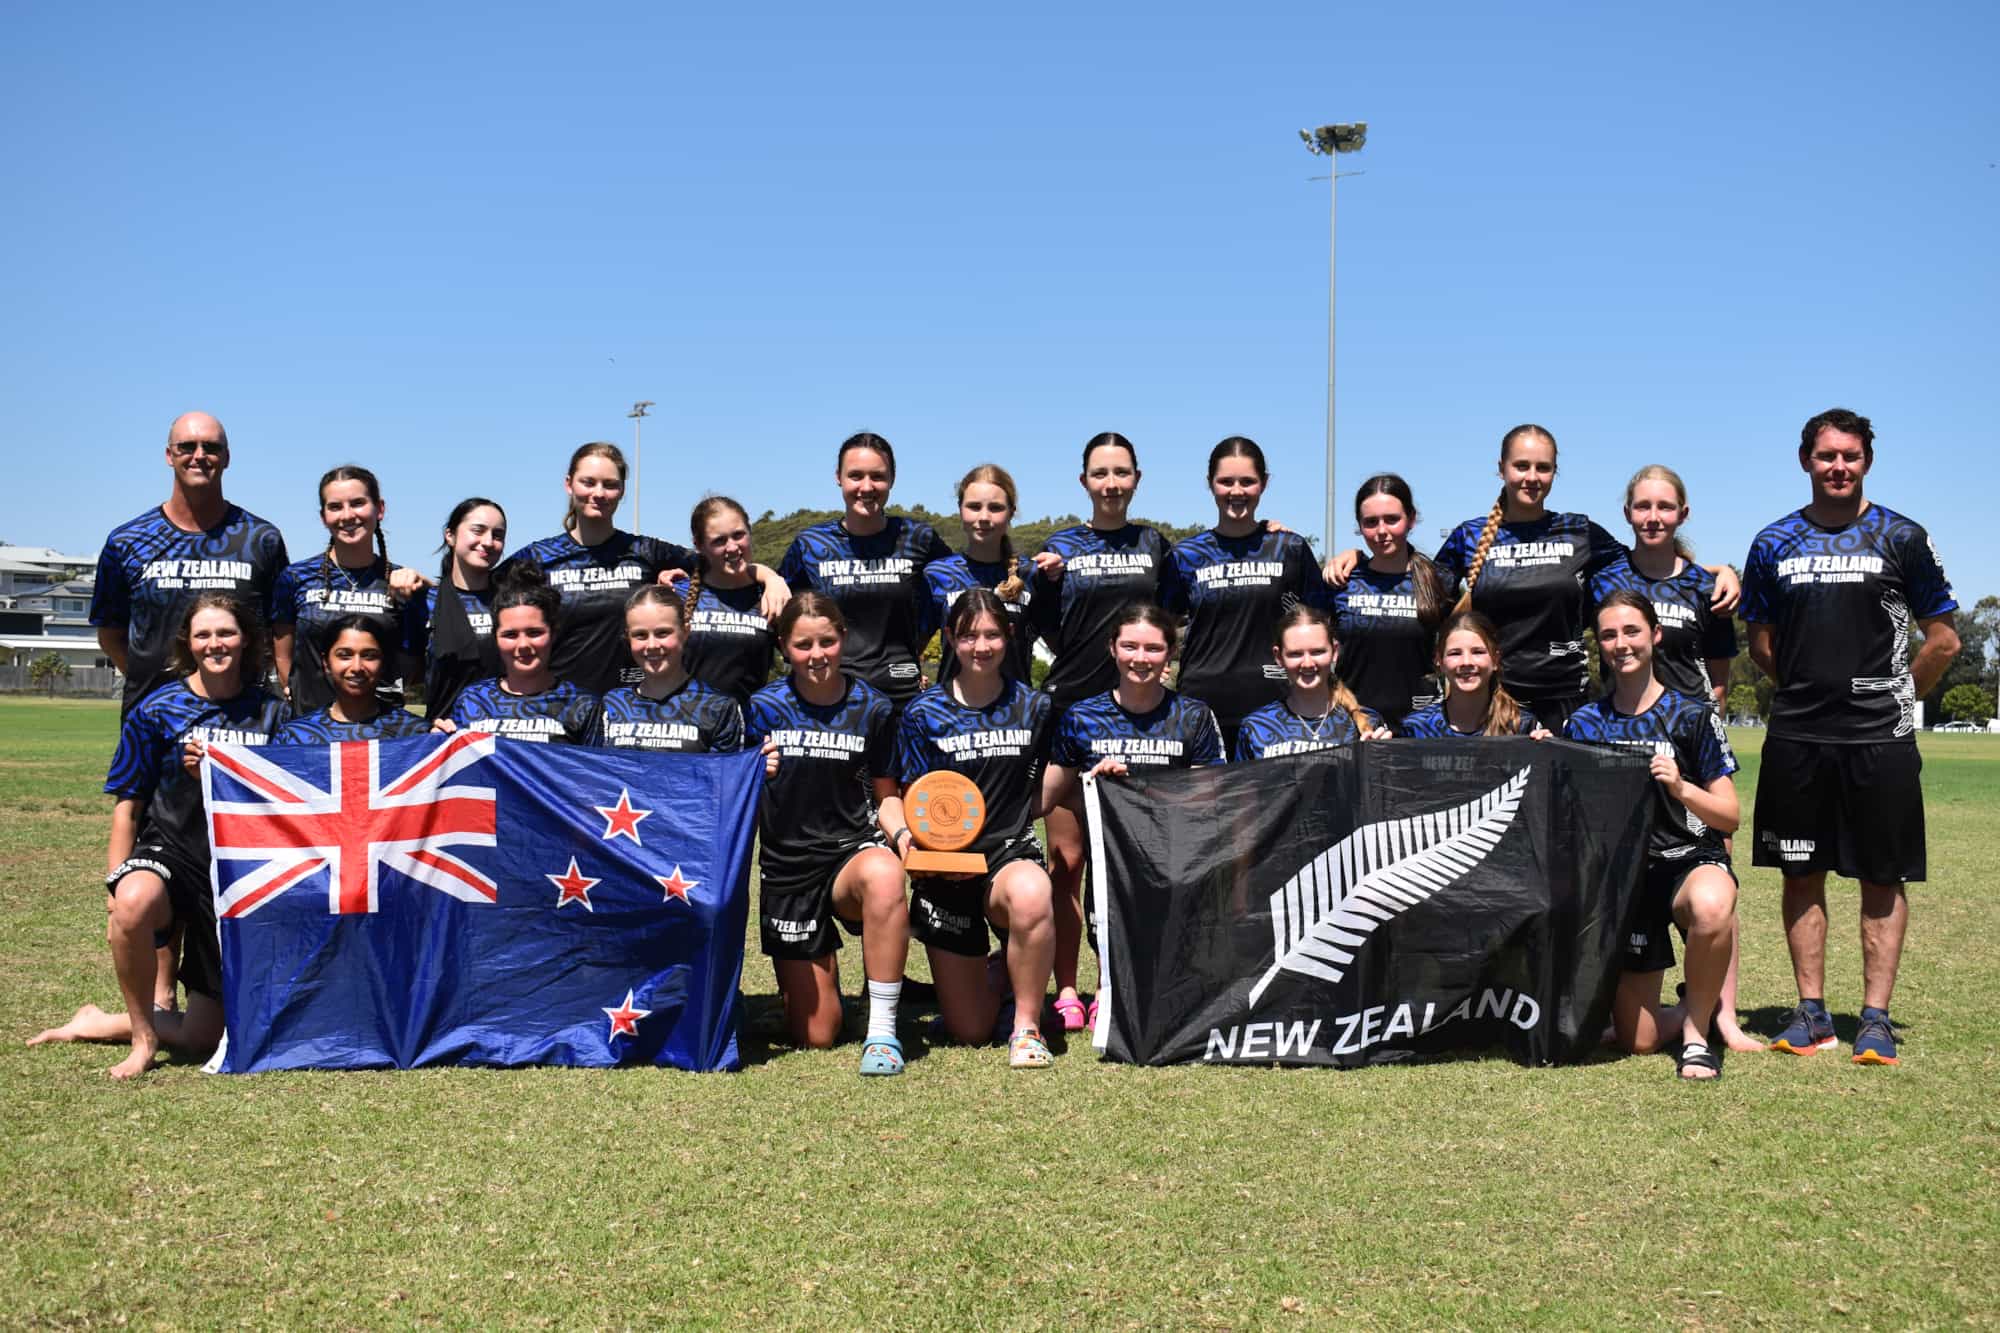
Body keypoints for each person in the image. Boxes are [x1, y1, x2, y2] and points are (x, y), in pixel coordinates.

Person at [1742, 408, 1959, 1066]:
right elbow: (1761, 644)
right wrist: (1813, 689)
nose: (1838, 466)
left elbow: (1944, 639)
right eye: (1826, 455)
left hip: (1880, 742)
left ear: (1867, 461)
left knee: (1880, 877)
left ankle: (1874, 1018)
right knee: (1800, 872)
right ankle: (1811, 1014)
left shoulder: (1902, 537)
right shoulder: (1773, 542)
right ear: (1805, 460)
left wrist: (1896, 697)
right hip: (1799, 738)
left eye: (1850, 456)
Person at [1326, 425, 1738, 732]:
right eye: (1521, 466)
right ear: (1501, 469)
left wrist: (1714, 573)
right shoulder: (1470, 536)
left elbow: (1644, 561)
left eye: (1543, 468)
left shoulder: (1579, 531)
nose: (1531, 477)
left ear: (1555, 472)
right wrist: (1358, 559)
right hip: (1493, 704)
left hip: (1567, 701)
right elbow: (1416, 583)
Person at [29, 595, 290, 1077]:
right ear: (188, 644)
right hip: (168, 849)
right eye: (204, 635)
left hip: (236, 869)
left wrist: (222, 774)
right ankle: (144, 1040)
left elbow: (291, 793)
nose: (216, 644)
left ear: (246, 639)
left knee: (201, 1038)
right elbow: (127, 804)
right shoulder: (158, 708)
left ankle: (95, 1021)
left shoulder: (271, 712)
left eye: (226, 633)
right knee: (133, 901)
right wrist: (116, 883)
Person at [1028, 433, 1183, 1032]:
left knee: (1133, 863)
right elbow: (1037, 620)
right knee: (1068, 862)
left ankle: (1114, 982)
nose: (1112, 482)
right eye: (1100, 473)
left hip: (1144, 714)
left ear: (1137, 479)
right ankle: (1066, 988)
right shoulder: (1059, 548)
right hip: (1076, 715)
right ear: (1084, 481)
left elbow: (1173, 612)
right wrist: (1044, 578)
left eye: (1122, 473)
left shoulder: (1154, 546)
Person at [1564, 592, 1742, 1080]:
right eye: (1608, 635)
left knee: (1711, 905)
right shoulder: (1583, 723)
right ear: (1599, 645)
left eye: (1631, 632)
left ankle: (1698, 1035)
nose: (1621, 644)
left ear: (1655, 636)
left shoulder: (1691, 715)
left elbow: (1729, 816)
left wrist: (1682, 786)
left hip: (1686, 861)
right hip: (1625, 878)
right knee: (1636, 1042)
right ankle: (1693, 1003)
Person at [742, 593, 912, 1073]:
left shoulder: (873, 708)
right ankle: (814, 992)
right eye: (803, 645)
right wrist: (755, 772)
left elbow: (886, 795)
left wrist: (900, 837)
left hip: (848, 856)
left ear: (843, 639)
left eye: (827, 641)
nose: (817, 654)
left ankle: (882, 1031)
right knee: (817, 1035)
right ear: (783, 647)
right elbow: (736, 792)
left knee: (883, 874)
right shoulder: (762, 708)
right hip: (787, 869)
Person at [894, 590, 1062, 1069]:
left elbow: (1058, 769)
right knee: (970, 1031)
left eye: (991, 634)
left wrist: (1022, 817)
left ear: (1008, 636)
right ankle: (999, 971)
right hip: (944, 872)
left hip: (1006, 858)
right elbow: (912, 797)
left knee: (1033, 891)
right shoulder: (922, 713)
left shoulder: (1035, 707)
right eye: (968, 635)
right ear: (951, 639)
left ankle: (1027, 1026)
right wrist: (931, 858)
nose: (980, 646)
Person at [1044, 603, 1226, 1029]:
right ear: (1112, 648)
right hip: (1106, 849)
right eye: (1129, 646)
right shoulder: (1082, 716)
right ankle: (1081, 988)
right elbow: (1047, 796)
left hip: (1170, 848)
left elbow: (1209, 794)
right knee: (1069, 873)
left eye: (1152, 648)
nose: (1140, 658)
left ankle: (1130, 986)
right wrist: (1093, 781)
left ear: (1169, 653)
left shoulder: (1193, 716)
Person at [500, 442, 786, 696]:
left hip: (631, 708)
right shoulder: (540, 556)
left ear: (622, 489)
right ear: (569, 484)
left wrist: (768, 577)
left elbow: (719, 560)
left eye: (609, 484)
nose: (598, 493)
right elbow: (479, 590)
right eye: (588, 482)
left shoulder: (646, 552)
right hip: (562, 704)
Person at [91, 411, 289, 716]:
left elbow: (282, 633)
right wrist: (153, 685)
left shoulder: (261, 540)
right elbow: (110, 635)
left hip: (241, 723)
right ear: (169, 456)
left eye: (211, 447)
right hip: (154, 721)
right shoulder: (127, 541)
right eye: (187, 447)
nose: (199, 456)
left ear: (227, 458)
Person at [1165, 437, 1328, 757]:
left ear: (1264, 484)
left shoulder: (1288, 549)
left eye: (1247, 482)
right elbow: (1161, 625)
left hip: (1275, 709)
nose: (1236, 491)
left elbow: (1321, 622)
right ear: (1210, 484)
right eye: (1226, 481)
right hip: (1202, 705)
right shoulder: (1186, 555)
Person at [778, 433, 953, 719]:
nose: (866, 487)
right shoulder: (811, 544)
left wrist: (1025, 569)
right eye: (855, 476)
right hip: (830, 701)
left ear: (893, 479)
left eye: (878, 476)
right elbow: (777, 606)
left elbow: (962, 584)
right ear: (838, 477)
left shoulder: (918, 539)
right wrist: (766, 575)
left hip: (900, 698)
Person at [270, 466, 426, 713]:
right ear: (323, 517)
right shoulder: (295, 578)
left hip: (381, 730)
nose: (347, 515)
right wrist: (292, 689)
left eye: (357, 503)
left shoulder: (400, 582)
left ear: (380, 509)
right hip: (312, 729)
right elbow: (282, 652)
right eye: (335, 507)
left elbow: (414, 668)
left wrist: (416, 595)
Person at [1589, 466, 1737, 708]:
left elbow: (1719, 682)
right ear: (1627, 513)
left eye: (1665, 507)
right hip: (1618, 731)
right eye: (1643, 506)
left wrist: (1707, 731)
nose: (1653, 518)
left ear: (1683, 513)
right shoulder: (1603, 581)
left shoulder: (1707, 589)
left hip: (1685, 732)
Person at [1329, 474, 1448, 730]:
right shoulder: (1343, 581)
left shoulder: (1439, 580)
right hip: (1354, 725)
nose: (1381, 531)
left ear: (1411, 519)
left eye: (1392, 519)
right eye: (1371, 522)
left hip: (1421, 727)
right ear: (1359, 526)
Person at [436, 565, 600, 744]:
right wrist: (438, 741)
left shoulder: (582, 705)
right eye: (510, 635)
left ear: (553, 634)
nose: (523, 645)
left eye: (534, 633)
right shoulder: (473, 700)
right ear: (495, 638)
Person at [922, 464, 1048, 686]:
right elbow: (910, 646)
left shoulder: (1031, 574)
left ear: (1012, 512)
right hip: (950, 713)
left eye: (996, 508)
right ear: (960, 509)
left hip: (1016, 713)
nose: (984, 517)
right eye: (974, 506)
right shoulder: (937, 574)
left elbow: (1060, 644)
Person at [594, 586, 746, 752]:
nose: (652, 645)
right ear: (628, 637)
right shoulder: (612, 705)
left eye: (662, 633)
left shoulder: (718, 707)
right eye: (640, 635)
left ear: (685, 632)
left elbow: (729, 775)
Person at [1234, 606, 1390, 760]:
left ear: (1334, 652)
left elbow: (1387, 784)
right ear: (1279, 657)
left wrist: (1383, 761)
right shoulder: (1256, 727)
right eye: (1295, 654)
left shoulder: (1369, 722)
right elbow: (1243, 785)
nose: (1307, 663)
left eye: (1317, 652)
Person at [680, 496, 779, 706]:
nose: (732, 547)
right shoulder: (678, 595)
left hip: (748, 731)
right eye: (719, 540)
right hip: (687, 728)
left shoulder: (772, 594)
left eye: (738, 535)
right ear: (699, 545)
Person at [418, 497, 507, 722]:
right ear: (450, 535)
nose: (488, 542)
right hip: (444, 737)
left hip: (505, 737)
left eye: (497, 535)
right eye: (478, 531)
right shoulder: (425, 602)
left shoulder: (512, 603)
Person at [1396, 611, 1552, 739]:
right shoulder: (1417, 728)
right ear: (1439, 662)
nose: (1466, 662)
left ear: (1495, 660)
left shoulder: (1521, 726)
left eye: (1478, 652)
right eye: (1455, 653)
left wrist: (1547, 752)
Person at [272, 616, 430, 742]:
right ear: (326, 663)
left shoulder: (415, 733)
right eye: (344, 655)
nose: (356, 667)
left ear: (383, 663)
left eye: (369, 656)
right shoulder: (295, 736)